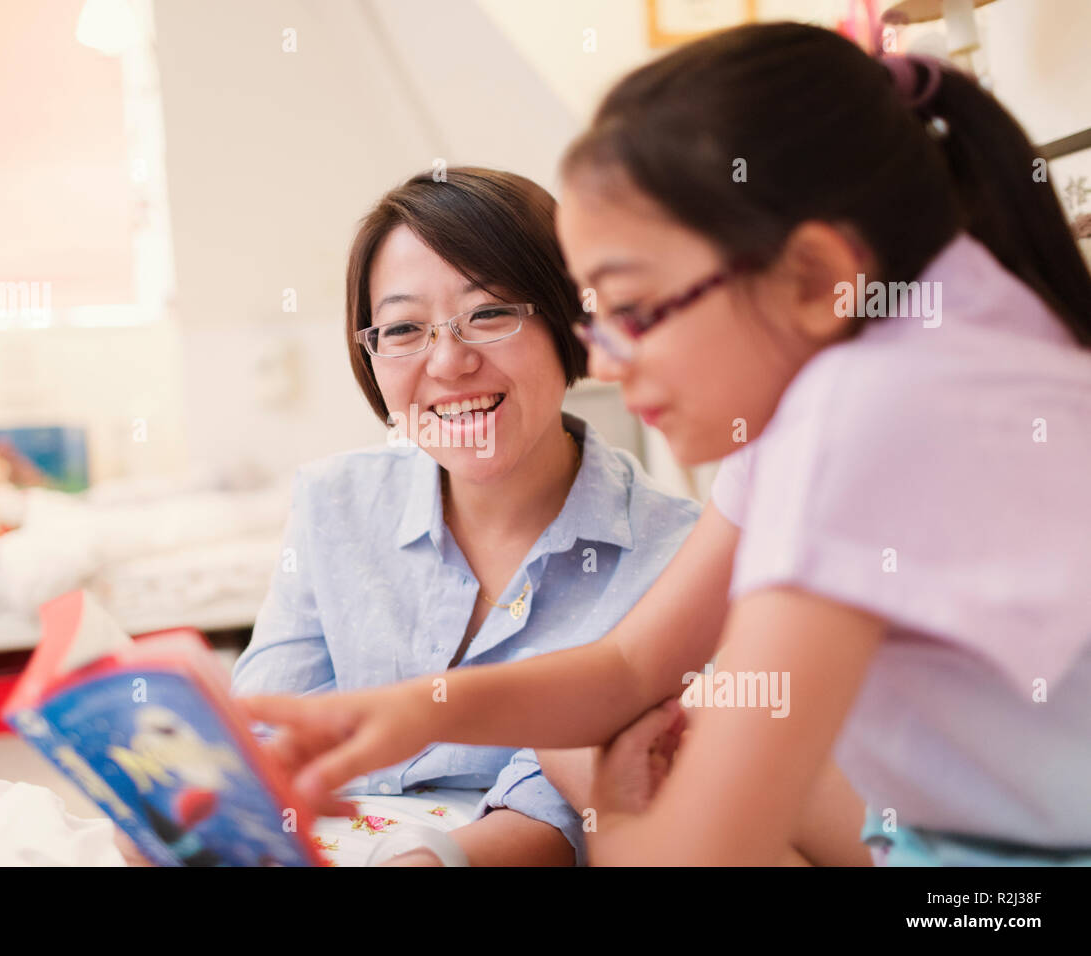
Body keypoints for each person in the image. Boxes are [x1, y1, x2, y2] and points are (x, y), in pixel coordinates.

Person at [242, 23, 1091, 866]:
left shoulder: (862, 412)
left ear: (814, 278)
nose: (602, 355)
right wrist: (424, 709)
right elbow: (627, 665)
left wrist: (604, 801)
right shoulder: (911, 353)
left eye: (635, 310)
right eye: (596, 313)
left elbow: (698, 848)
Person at [232, 167, 699, 865]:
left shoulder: (675, 551)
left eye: (489, 314)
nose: (448, 362)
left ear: (570, 322)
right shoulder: (334, 502)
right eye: (404, 329)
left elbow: (574, 794)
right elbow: (265, 726)